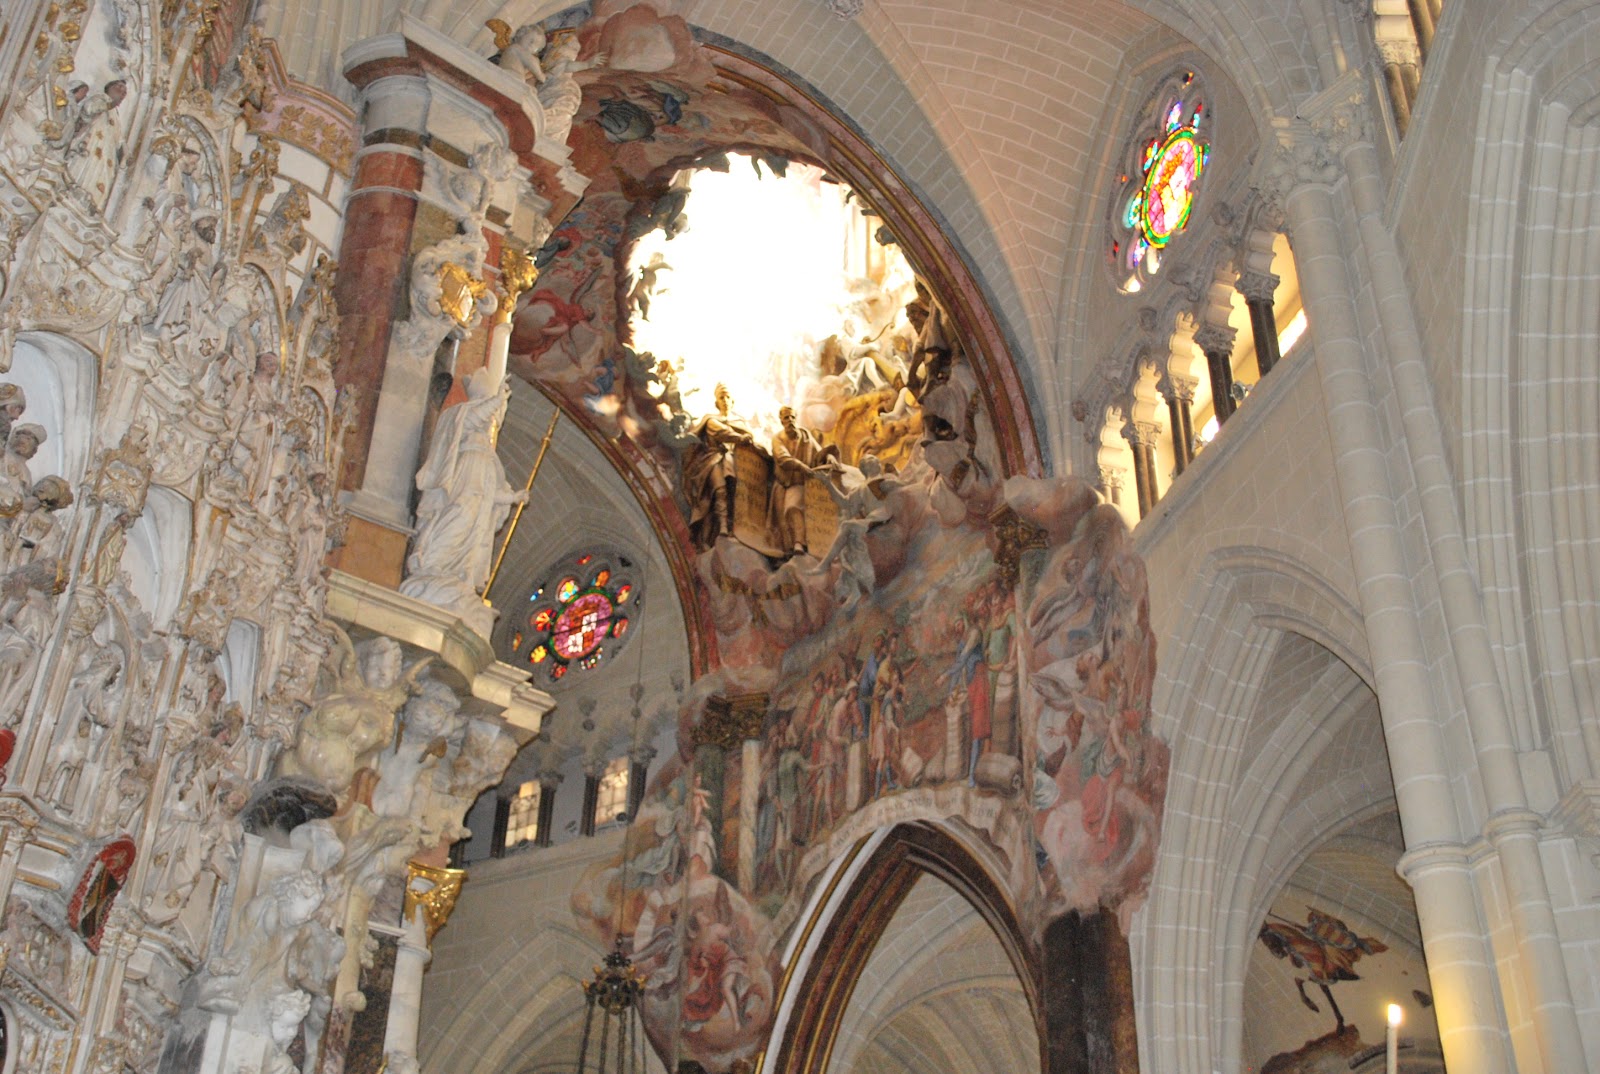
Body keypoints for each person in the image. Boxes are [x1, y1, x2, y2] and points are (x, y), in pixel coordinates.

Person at [683, 384, 755, 549]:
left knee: (735, 493)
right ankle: (722, 526)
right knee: (719, 489)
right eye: (721, 397)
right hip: (713, 459)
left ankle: (732, 527)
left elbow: (750, 438)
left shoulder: (740, 423)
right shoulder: (711, 420)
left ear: (732, 400)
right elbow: (721, 432)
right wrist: (740, 438)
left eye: (727, 397)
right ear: (717, 402)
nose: (725, 400)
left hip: (734, 462)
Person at [769, 406, 833, 555]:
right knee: (782, 521)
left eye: (792, 417)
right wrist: (803, 467)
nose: (790, 421)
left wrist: (828, 457)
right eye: (786, 418)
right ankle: (789, 548)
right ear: (781, 421)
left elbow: (819, 454)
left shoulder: (805, 436)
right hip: (785, 482)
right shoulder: (778, 438)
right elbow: (783, 458)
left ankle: (799, 543)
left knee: (793, 507)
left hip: (801, 483)